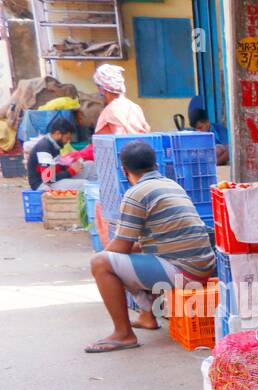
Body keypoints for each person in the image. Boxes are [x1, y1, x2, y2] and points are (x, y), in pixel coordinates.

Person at [86, 141, 215, 354]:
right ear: (156, 164)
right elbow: (140, 245)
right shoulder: (171, 185)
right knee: (125, 257)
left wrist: (104, 257)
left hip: (185, 271)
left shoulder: (137, 193)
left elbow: (120, 246)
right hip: (201, 266)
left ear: (124, 170)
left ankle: (123, 334)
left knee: (101, 263)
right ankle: (147, 315)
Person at [92, 64, 150, 135]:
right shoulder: (135, 107)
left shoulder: (110, 111)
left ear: (102, 90)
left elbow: (120, 136)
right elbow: (146, 130)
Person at [26, 116, 78, 189]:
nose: (68, 142)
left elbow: (57, 167)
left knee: (89, 166)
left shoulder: (54, 145)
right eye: (67, 138)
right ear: (57, 134)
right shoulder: (44, 148)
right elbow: (48, 178)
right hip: (43, 185)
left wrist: (71, 167)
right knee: (84, 184)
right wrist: (71, 171)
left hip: (54, 179)